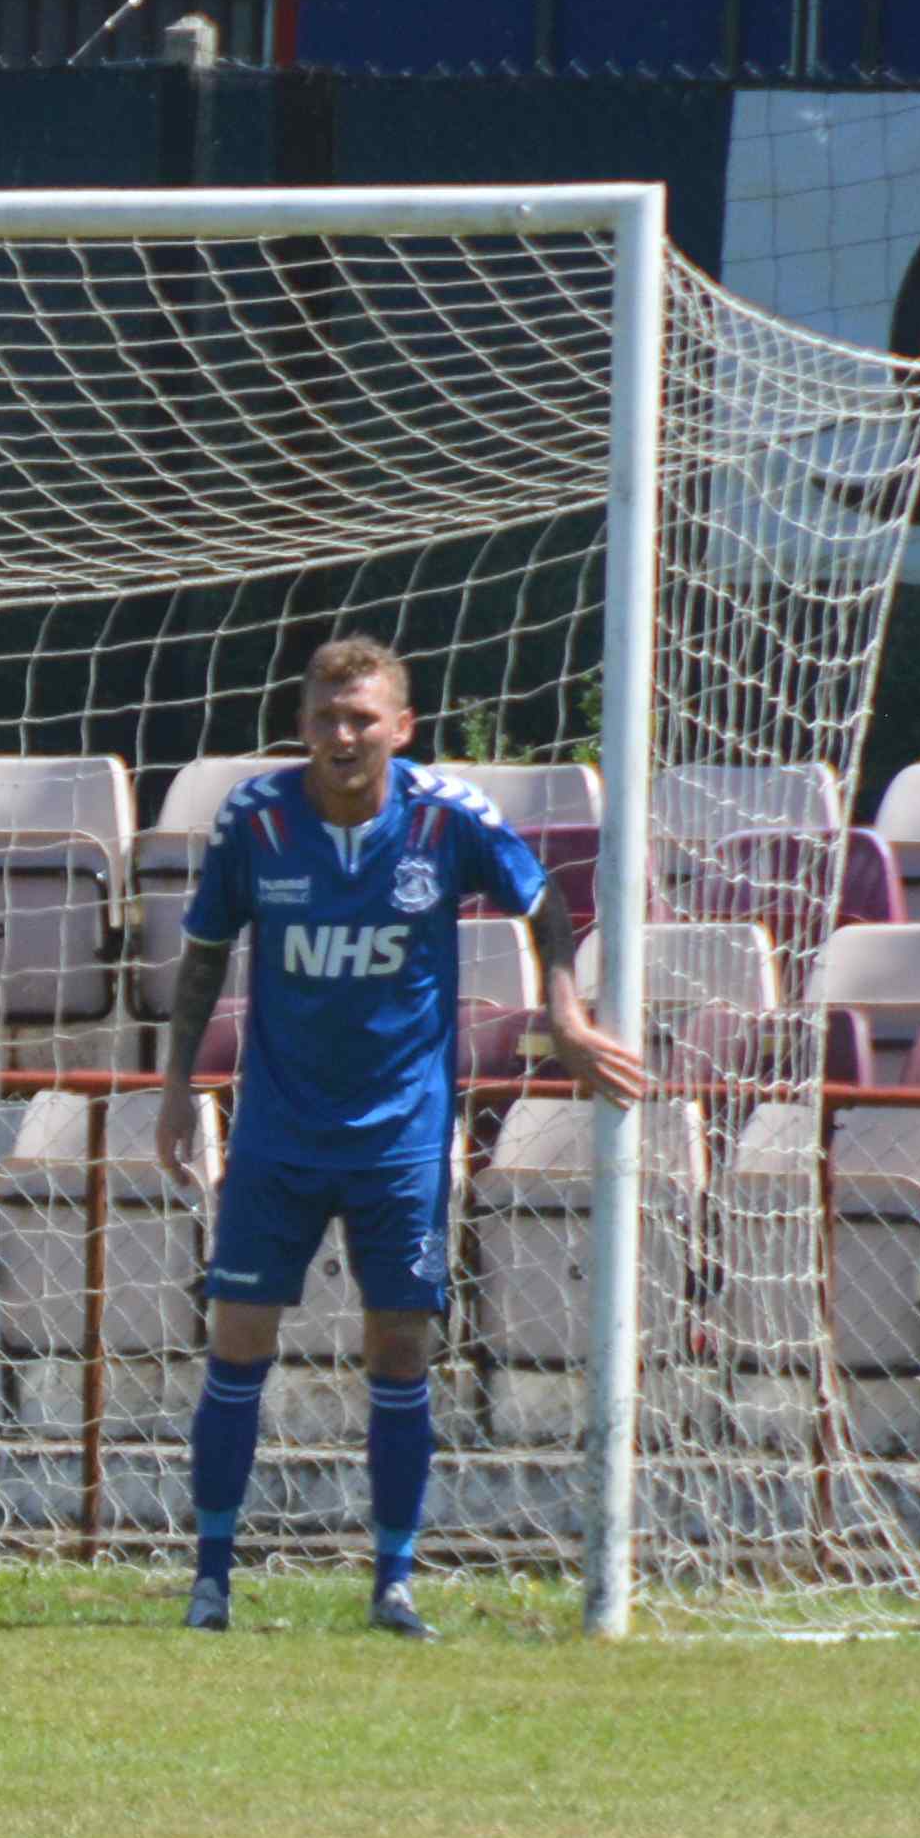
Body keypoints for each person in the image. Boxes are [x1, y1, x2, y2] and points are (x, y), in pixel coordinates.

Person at [156, 633, 648, 1639]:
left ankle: (392, 1581)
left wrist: (562, 1008)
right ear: (299, 726)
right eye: (324, 719)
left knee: (398, 1347)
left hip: (400, 1137)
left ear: (399, 728)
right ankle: (209, 1577)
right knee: (237, 1338)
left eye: (360, 719)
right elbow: (203, 954)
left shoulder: (444, 816)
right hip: (276, 1132)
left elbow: (546, 901)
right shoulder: (255, 822)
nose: (341, 736)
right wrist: (173, 1089)